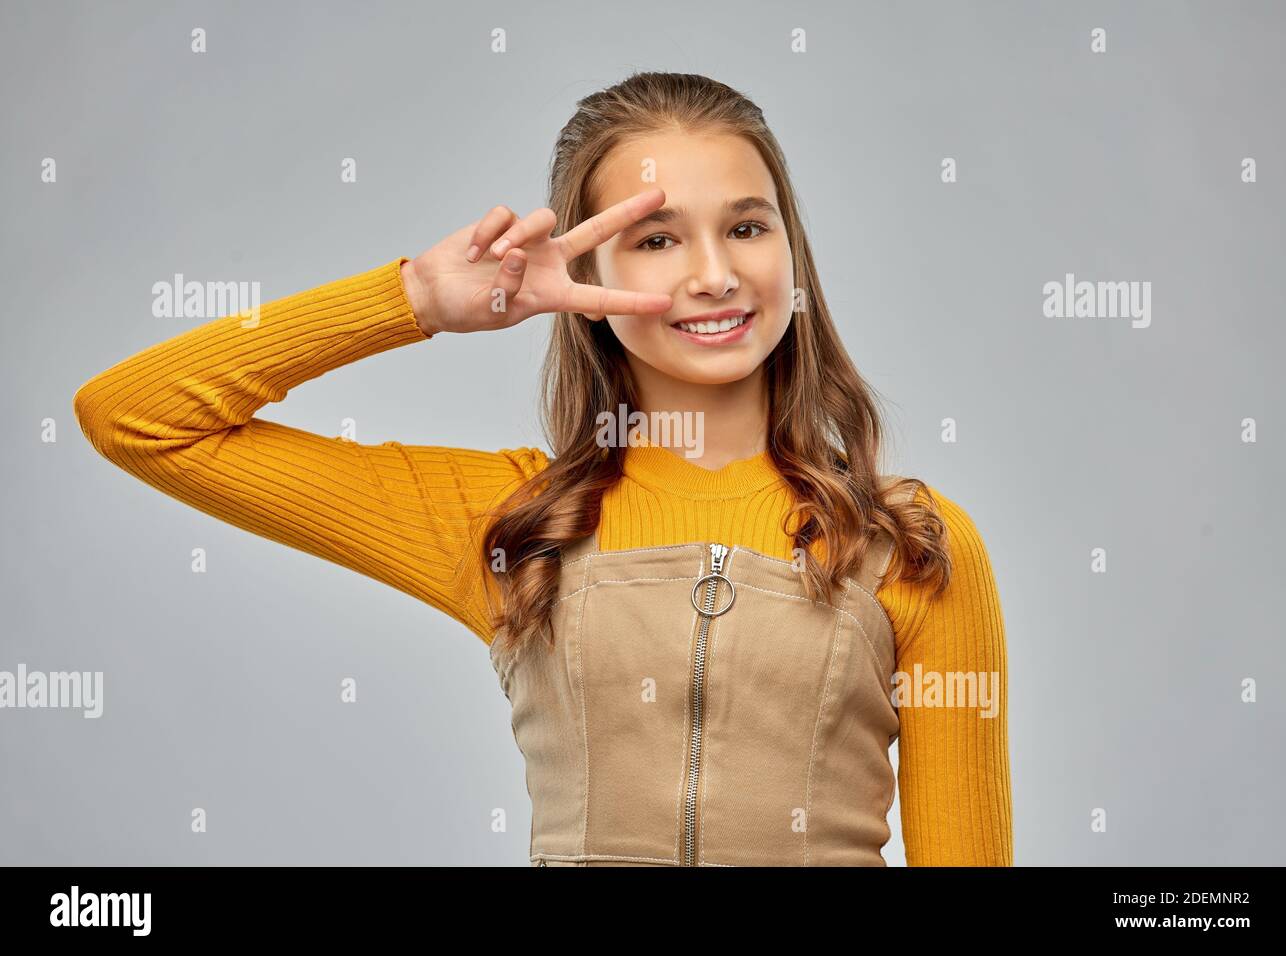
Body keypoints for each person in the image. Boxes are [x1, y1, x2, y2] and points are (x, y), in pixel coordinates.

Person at [74, 71, 1011, 867]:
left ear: (790, 251)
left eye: (747, 227)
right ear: (586, 280)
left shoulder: (908, 544)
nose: (715, 274)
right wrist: (415, 301)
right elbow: (136, 418)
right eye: (657, 239)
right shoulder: (513, 520)